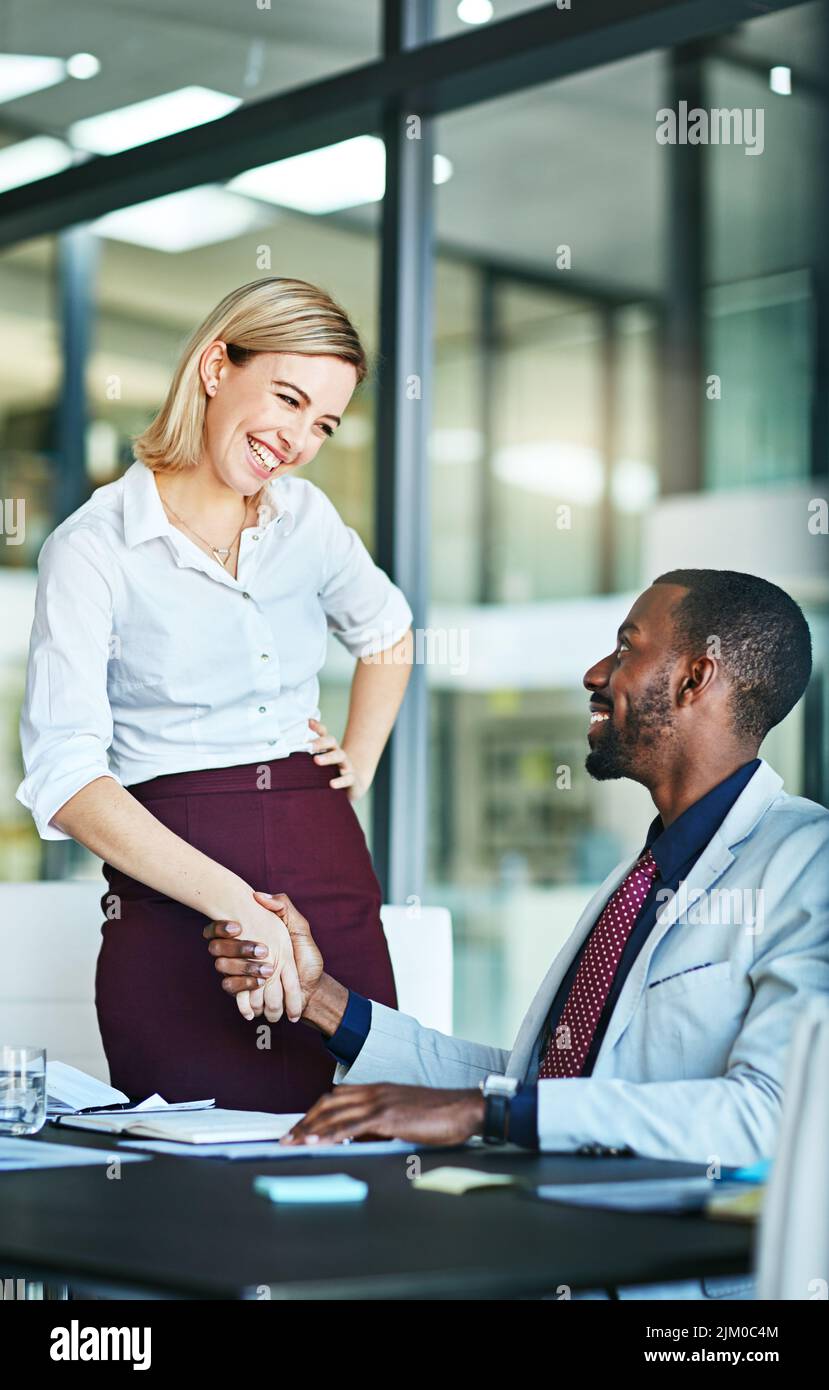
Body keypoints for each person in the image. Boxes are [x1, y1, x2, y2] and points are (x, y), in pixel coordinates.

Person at [207, 569, 828, 1298]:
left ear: (695, 678)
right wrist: (321, 1001)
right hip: (548, 1256)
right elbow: (544, 1091)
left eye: (625, 649)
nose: (595, 673)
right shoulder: (645, 870)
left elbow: (774, 1115)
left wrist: (490, 1111)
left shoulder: (806, 863)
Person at [16, 276, 413, 1112]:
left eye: (324, 424)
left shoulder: (307, 521)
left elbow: (388, 632)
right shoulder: (93, 549)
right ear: (214, 365)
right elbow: (66, 779)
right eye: (289, 399)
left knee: (369, 1125)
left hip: (324, 857)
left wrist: (358, 764)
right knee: (186, 1168)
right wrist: (243, 910)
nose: (299, 439)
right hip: (170, 882)